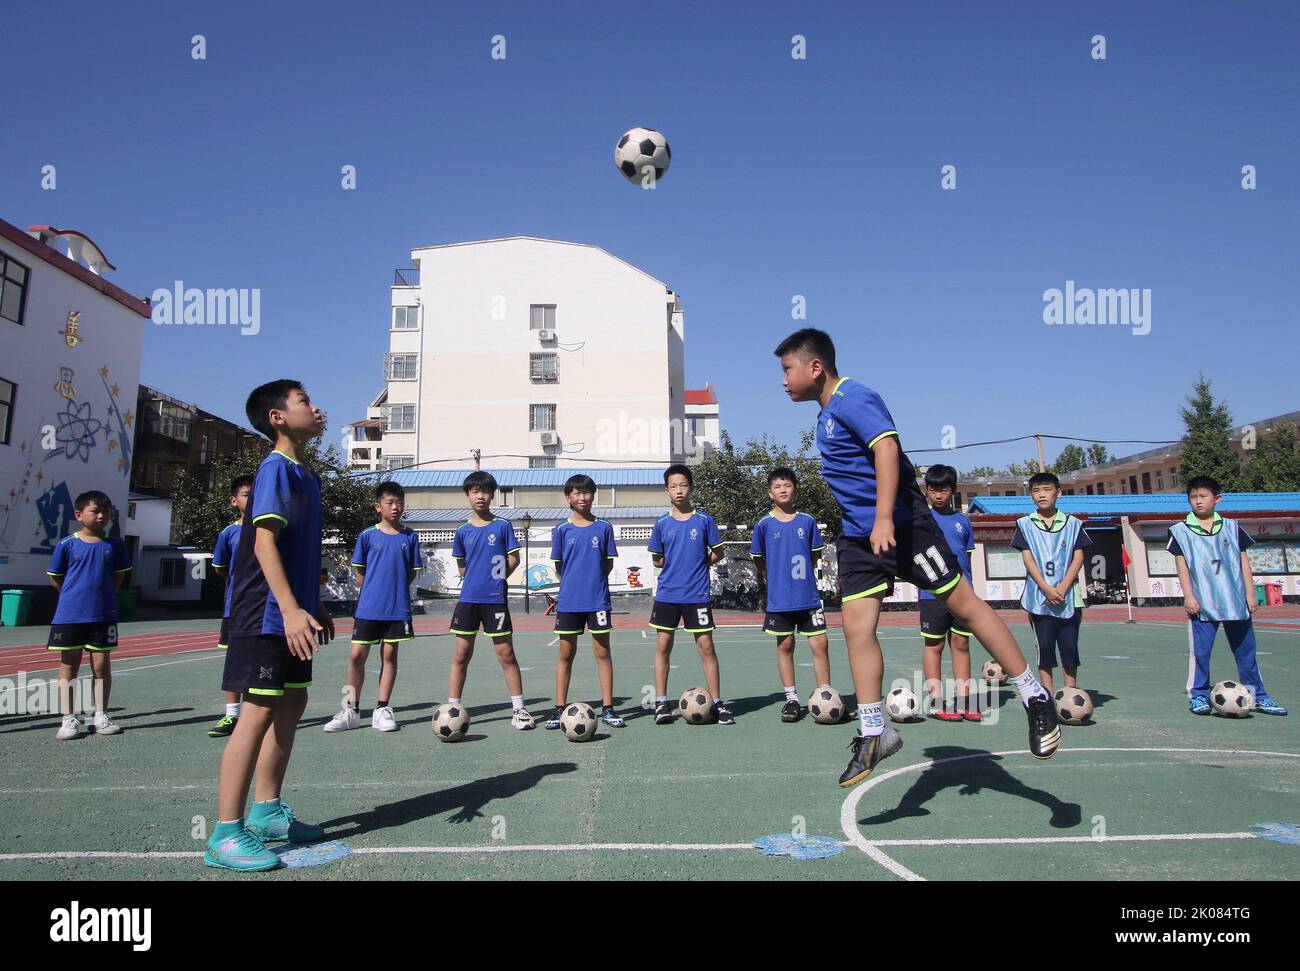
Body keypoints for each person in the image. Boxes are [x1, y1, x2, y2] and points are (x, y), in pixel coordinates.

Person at [774, 328, 1060, 788]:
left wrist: (885, 518)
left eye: (787, 369)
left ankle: (1034, 695)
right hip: (857, 539)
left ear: (815, 367)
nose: (783, 380)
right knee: (855, 626)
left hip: (904, 527)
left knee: (963, 605)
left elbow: (887, 450)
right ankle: (873, 731)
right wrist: (869, 526)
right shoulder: (825, 416)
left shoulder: (855, 397)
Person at [204, 379, 333, 871]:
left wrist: (311, 603)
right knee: (256, 711)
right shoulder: (274, 468)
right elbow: (263, 544)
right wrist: (288, 606)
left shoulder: (307, 474)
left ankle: (268, 811)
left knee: (293, 700)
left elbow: (299, 550)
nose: (315, 407)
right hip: (264, 612)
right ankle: (225, 834)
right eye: (304, 401)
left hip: (292, 610)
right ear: (277, 417)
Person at [1170, 476, 1287, 716]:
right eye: (1193, 497)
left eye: (1203, 496)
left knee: (1247, 652)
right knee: (1201, 653)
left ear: (1217, 499)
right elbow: (1181, 566)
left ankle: (1258, 695)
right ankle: (1198, 695)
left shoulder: (1233, 527)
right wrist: (1188, 596)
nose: (1198, 502)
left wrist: (1250, 593)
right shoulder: (1180, 531)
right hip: (1203, 604)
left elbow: (1243, 561)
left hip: (1235, 600)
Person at [324, 480, 423, 734]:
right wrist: (374, 592)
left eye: (399, 502)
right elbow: (361, 574)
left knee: (389, 655)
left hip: (397, 608)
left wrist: (394, 589)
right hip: (368, 608)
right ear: (377, 506)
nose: (395, 507)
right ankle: (350, 710)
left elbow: (411, 572)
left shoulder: (410, 537)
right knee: (356, 656)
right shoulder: (367, 536)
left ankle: (382, 709)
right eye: (389, 502)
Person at [447, 471, 535, 730]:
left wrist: (498, 577)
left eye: (485, 491)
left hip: (495, 601)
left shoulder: (502, 526)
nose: (480, 496)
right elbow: (462, 565)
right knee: (462, 654)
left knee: (505, 653)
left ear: (492, 495)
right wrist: (476, 577)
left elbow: (514, 558)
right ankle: (453, 706)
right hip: (468, 601)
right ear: (467, 495)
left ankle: (519, 709)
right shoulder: (462, 531)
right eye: (475, 491)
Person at [648, 465, 732, 724]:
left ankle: (717, 702)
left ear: (691, 488)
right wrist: (678, 563)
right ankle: (661, 703)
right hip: (668, 595)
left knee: (706, 646)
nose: (679, 490)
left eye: (683, 485)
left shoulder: (704, 520)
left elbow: (718, 552)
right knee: (663, 646)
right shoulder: (661, 523)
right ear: (667, 491)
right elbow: (657, 559)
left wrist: (699, 561)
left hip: (697, 595)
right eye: (673, 486)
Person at [46, 490, 132, 740]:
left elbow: (119, 576)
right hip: (70, 617)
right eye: (95, 511)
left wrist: (103, 597)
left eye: (105, 511)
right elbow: (56, 577)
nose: (101, 516)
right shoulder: (66, 544)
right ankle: (68, 719)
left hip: (103, 616)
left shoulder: (114, 545)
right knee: (68, 666)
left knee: (101, 666)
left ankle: (100, 715)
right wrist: (72, 597)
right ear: (79, 514)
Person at [751, 466, 834, 723]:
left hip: (807, 597)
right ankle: (791, 699)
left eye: (787, 485)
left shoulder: (807, 522)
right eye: (777, 486)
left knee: (820, 644)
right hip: (780, 600)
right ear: (770, 493)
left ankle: (825, 695)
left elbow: (814, 556)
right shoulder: (763, 525)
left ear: (794, 489)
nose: (782, 490)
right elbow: (760, 561)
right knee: (785, 645)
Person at [544, 474, 625, 730]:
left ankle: (608, 708)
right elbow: (560, 566)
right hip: (569, 602)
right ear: (568, 497)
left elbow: (608, 563)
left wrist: (592, 584)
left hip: (598, 601)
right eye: (577, 493)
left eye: (587, 492)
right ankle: (559, 709)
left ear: (593, 495)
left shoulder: (603, 527)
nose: (582, 497)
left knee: (602, 652)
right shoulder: (561, 530)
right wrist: (575, 584)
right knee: (566, 653)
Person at [1012, 472, 1091, 695]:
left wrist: (1063, 587)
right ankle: (1047, 694)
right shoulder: (1025, 524)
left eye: (1046, 490)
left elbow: (1079, 557)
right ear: (1030, 496)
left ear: (1058, 492)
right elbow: (1027, 558)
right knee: (1045, 648)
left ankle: (1070, 692)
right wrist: (1045, 587)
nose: (1041, 495)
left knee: (1069, 647)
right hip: (1039, 598)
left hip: (1069, 597)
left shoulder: (1074, 524)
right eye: (1036, 491)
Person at [919, 464, 982, 721]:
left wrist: (972, 593)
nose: (938, 495)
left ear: (953, 491)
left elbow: (966, 561)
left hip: (963, 593)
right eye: (932, 490)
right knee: (933, 645)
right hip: (931, 594)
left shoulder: (962, 522)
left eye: (943, 490)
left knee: (961, 643)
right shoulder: (922, 520)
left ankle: (965, 701)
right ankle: (935, 700)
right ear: (926, 491)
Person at [208, 475, 253, 737]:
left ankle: (255, 714)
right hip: (236, 608)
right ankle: (231, 715)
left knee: (261, 659)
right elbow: (222, 570)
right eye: (247, 494)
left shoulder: (271, 528)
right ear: (234, 501)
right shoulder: (229, 533)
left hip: (265, 609)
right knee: (235, 661)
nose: (253, 498)